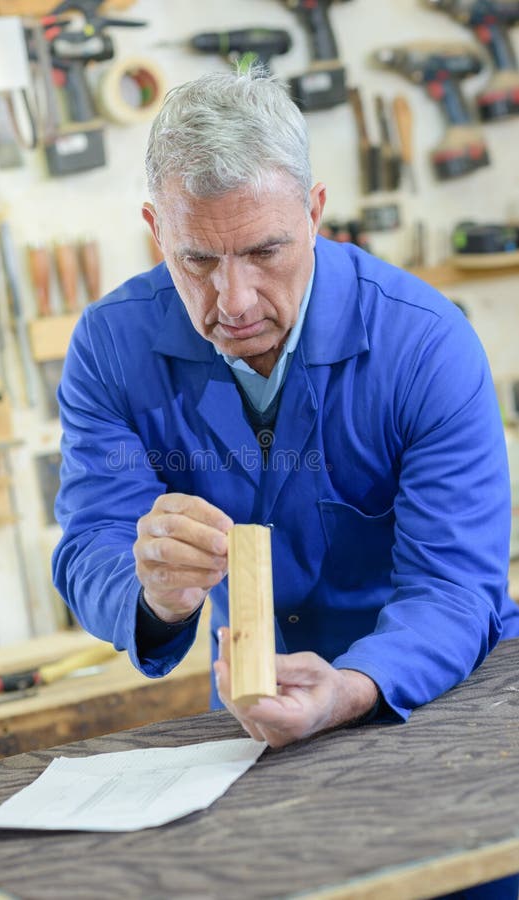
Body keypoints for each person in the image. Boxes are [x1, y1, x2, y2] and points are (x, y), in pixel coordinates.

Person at [53, 69, 519, 900]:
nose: (232, 301)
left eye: (265, 252)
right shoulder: (110, 349)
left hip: (444, 706)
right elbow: (90, 541)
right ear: (155, 228)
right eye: (195, 259)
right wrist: (151, 592)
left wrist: (352, 685)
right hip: (262, 727)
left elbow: (454, 586)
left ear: (314, 212)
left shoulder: (424, 344)